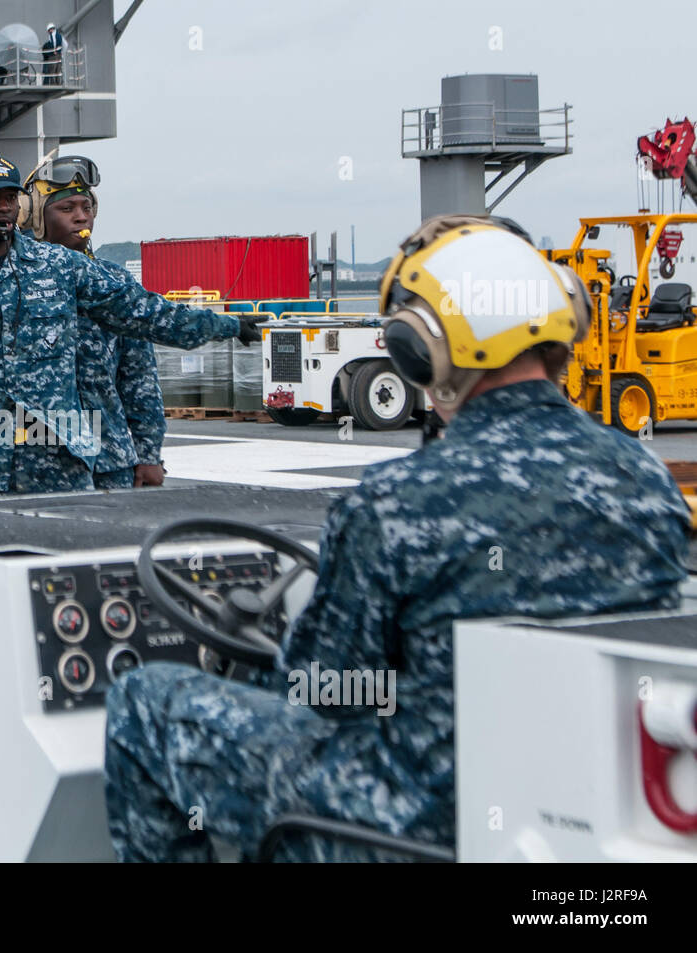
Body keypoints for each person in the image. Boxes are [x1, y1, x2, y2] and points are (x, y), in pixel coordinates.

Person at [104, 214, 693, 862]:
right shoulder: (648, 480)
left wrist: (253, 643)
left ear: (426, 350)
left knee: (143, 701)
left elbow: (318, 687)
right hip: (577, 825)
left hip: (407, 826)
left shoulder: (393, 503)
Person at [0, 154, 260, 510]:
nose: (3, 206)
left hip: (60, 464)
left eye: (9, 197)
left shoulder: (61, 267)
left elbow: (143, 312)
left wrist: (224, 324)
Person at [21, 155, 166, 489]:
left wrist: (148, 453)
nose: (81, 217)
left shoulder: (115, 283)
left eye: (86, 206)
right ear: (34, 216)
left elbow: (139, 375)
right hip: (33, 463)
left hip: (109, 460)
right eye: (67, 208)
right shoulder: (9, 283)